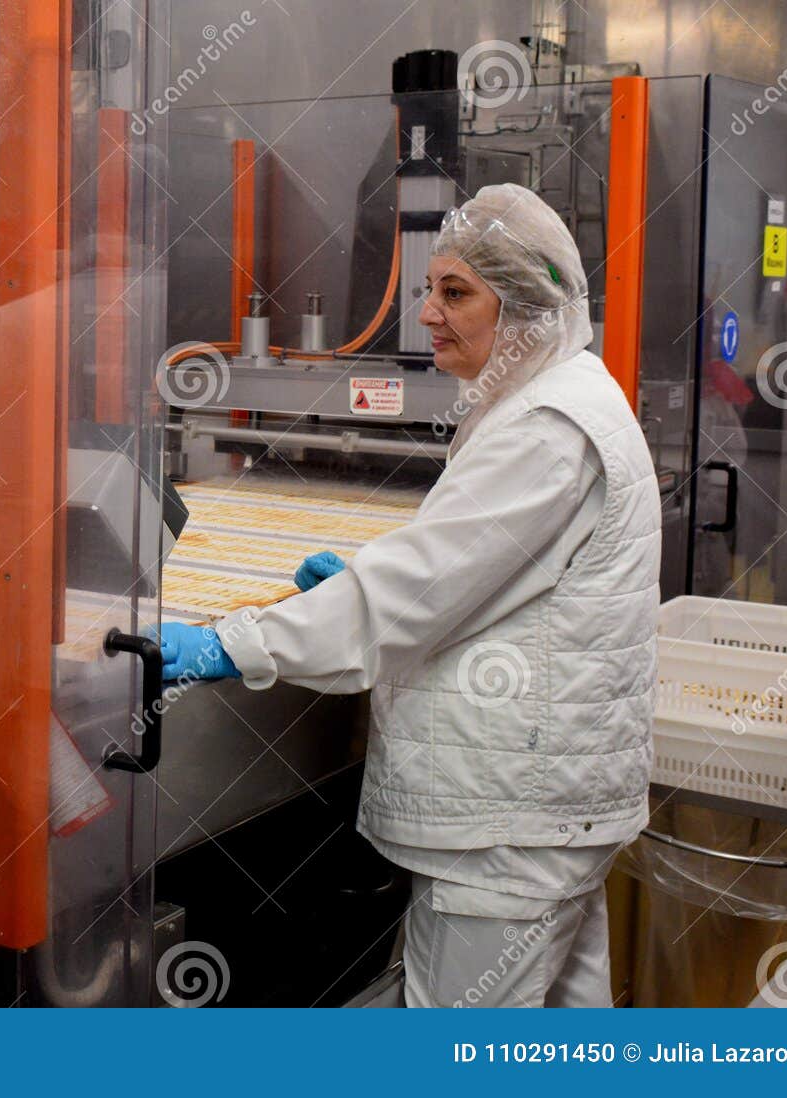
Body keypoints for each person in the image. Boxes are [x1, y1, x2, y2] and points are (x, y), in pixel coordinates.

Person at [159, 184, 661, 1007]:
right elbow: (472, 574)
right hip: (543, 816)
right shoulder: (553, 396)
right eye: (430, 288)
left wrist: (233, 642)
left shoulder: (547, 428)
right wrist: (360, 590)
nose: (427, 312)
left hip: (508, 831)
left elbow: (418, 589)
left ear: (526, 308)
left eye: (455, 292)